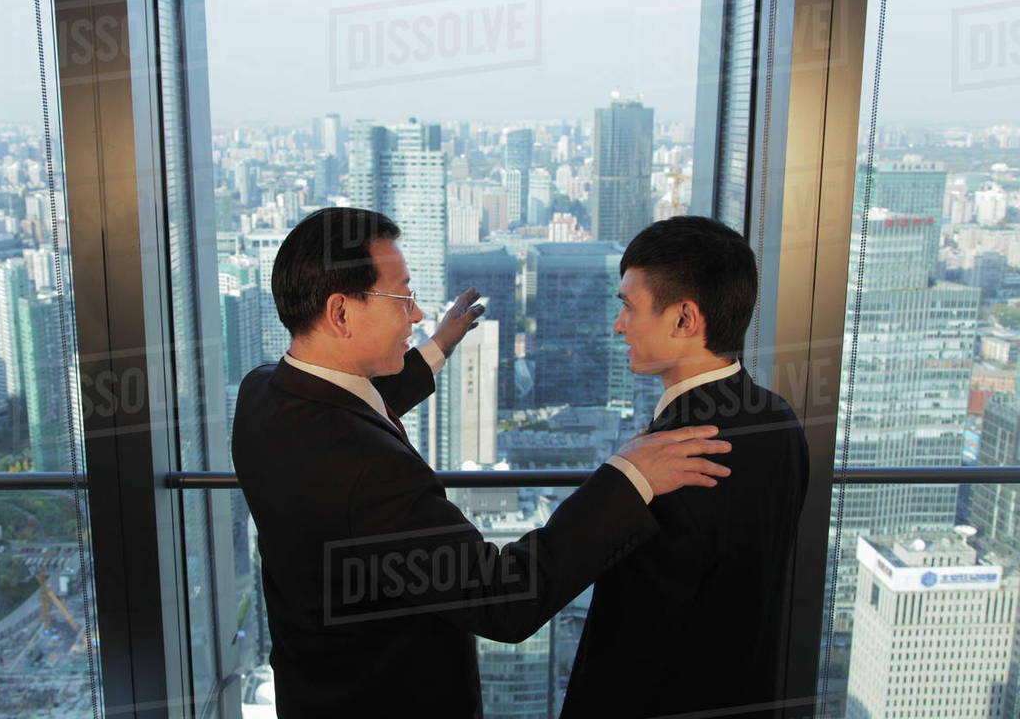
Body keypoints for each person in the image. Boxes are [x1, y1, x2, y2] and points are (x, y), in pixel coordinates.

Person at [231, 207, 734, 718]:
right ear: (340, 313)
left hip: (314, 686)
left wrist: (435, 349)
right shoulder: (369, 474)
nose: (417, 314)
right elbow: (503, 598)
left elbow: (350, 408)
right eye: (402, 296)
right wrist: (629, 478)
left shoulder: (263, 395)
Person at [560, 216, 810, 719]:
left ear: (684, 319)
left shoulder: (669, 461)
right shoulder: (780, 420)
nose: (618, 325)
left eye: (628, 307)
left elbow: (630, 642)